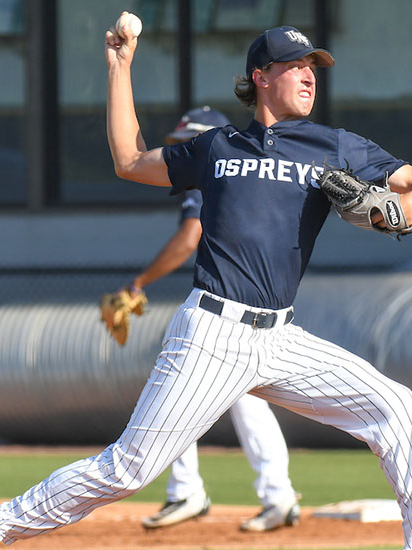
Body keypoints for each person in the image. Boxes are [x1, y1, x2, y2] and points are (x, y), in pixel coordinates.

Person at [0, 20, 412, 550]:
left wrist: (409, 203)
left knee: (396, 407)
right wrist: (120, 67)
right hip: (212, 333)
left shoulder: (334, 145)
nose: (310, 76)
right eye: (295, 66)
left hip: (281, 339)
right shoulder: (216, 147)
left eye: (314, 67)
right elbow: (128, 161)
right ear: (261, 76)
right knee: (128, 469)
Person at [133, 105, 301, 532]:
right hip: (260, 312)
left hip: (220, 311)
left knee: (176, 383)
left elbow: (189, 238)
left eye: (189, 137)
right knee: (247, 400)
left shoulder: (211, 165)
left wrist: (138, 282)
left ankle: (186, 489)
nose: (182, 146)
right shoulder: (252, 165)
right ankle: (278, 494)